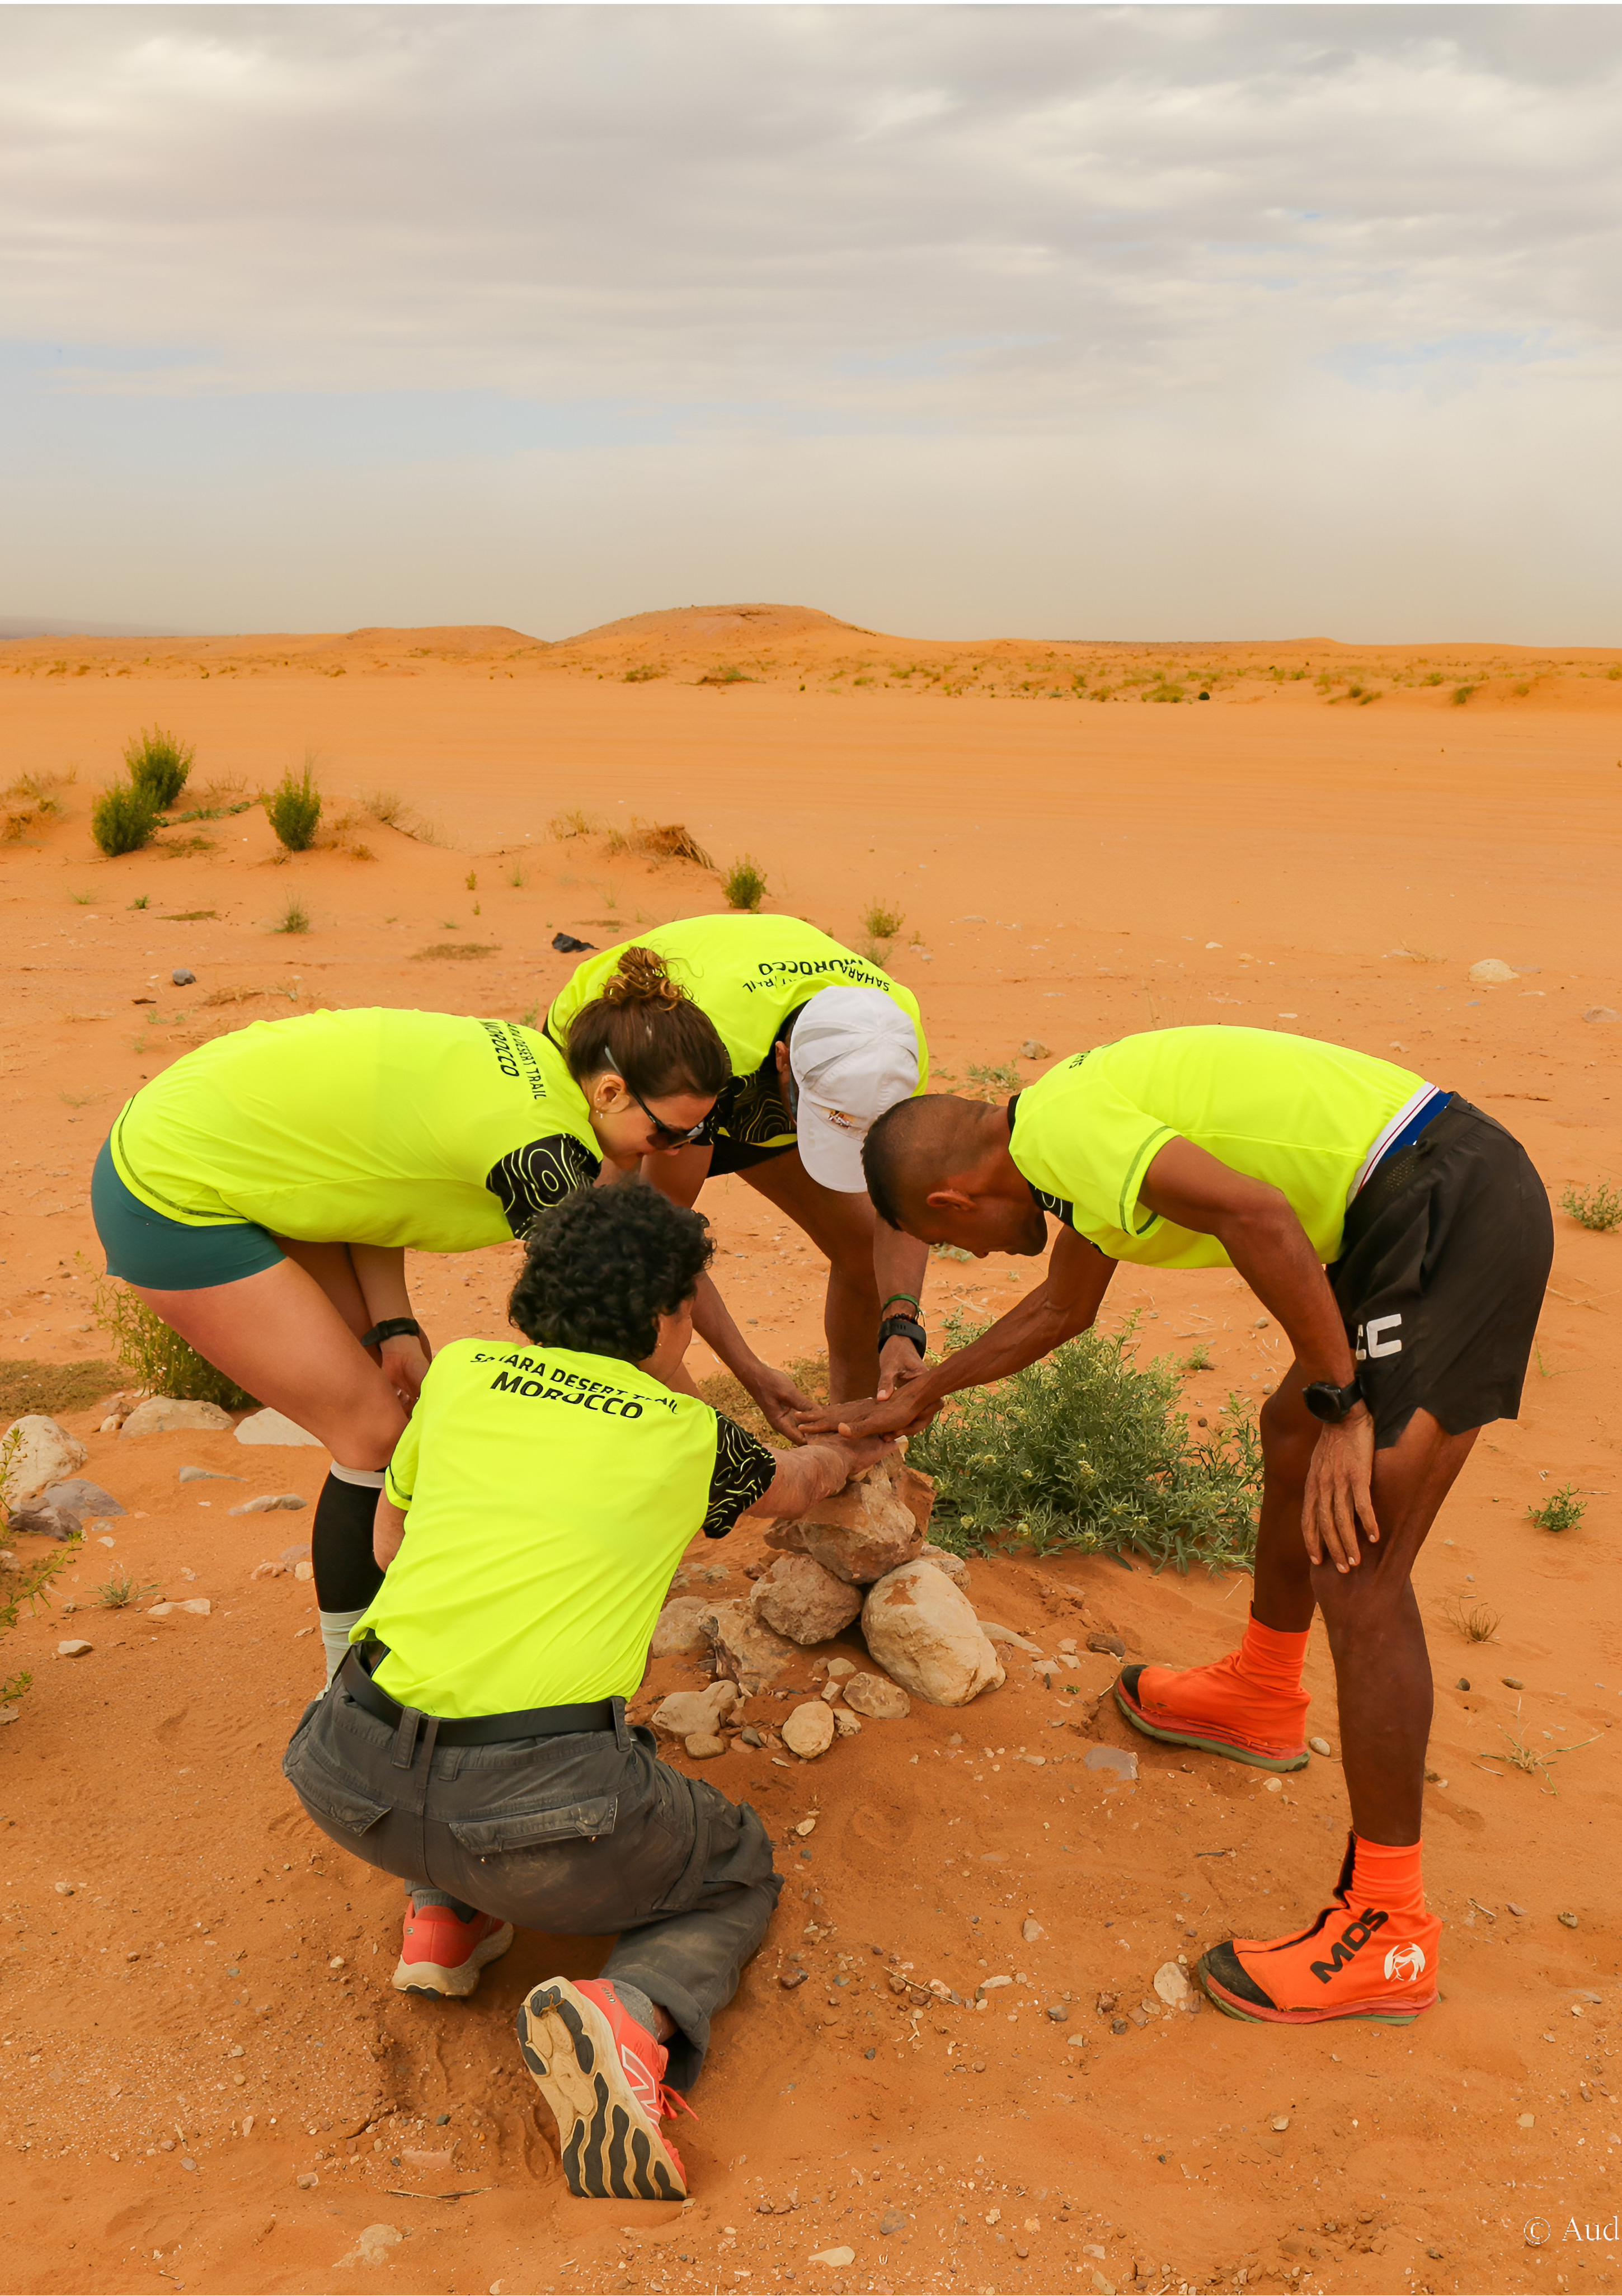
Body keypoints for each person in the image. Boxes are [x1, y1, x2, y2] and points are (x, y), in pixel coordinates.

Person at [817, 1026, 1552, 2028]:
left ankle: (1388, 1929)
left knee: (1358, 1549)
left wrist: (1346, 1401)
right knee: (1287, 1434)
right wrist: (925, 1389)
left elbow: (1256, 1215)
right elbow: (1061, 1306)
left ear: (952, 1200)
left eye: (952, 1242)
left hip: (1445, 1197)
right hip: (1408, 1199)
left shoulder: (1064, 1133)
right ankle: (1259, 1691)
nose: (973, 1252)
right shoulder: (1057, 1134)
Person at [282, 1180, 888, 2199]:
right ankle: (634, 2013)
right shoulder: (687, 1434)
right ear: (663, 1317)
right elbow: (793, 1482)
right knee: (732, 1863)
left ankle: (445, 1917)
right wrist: (845, 1448)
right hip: (535, 1798)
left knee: (459, 1689)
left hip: (344, 1765)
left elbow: (388, 1545)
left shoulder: (466, 1372)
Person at [91, 950, 730, 1680]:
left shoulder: (539, 1066)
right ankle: (348, 1688)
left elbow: (375, 1167)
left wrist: (391, 1326)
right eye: (667, 1135)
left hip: (228, 1136)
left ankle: (405, 1624)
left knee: (396, 1395)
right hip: (173, 1190)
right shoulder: (542, 1151)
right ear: (612, 1090)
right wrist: (721, 1454)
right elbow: (621, 1323)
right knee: (372, 1434)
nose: (674, 1153)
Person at [548, 914, 933, 1424]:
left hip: (745, 1053)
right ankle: (695, 1456)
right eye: (819, 1120)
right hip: (643, 1057)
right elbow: (658, 1238)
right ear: (783, 1060)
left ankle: (851, 1433)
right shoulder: (703, 1055)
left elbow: (900, 1205)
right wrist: (752, 1373)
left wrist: (900, 1324)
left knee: (864, 1246)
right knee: (624, 1267)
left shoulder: (893, 1045)